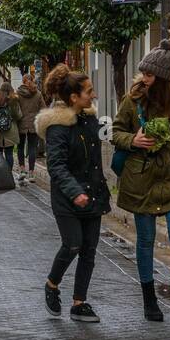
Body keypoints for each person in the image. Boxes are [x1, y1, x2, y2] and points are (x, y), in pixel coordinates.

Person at [111, 40, 170, 328]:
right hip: (143, 180)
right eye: (143, 73)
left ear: (164, 77)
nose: (144, 78)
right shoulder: (134, 100)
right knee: (146, 240)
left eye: (150, 74)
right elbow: (115, 132)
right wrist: (133, 139)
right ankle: (149, 300)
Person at [36, 66, 110, 323]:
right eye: (89, 91)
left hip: (93, 195)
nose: (93, 95)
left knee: (89, 249)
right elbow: (56, 166)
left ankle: (80, 303)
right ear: (74, 97)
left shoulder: (90, 121)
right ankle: (52, 284)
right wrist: (75, 191)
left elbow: (106, 147)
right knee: (73, 244)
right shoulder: (57, 127)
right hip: (68, 199)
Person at [0, 79, 24, 172]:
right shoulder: (14, 100)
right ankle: (9, 175)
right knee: (9, 154)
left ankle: (0, 174)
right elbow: (18, 116)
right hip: (11, 131)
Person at [16, 74, 45, 181]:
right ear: (32, 80)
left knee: (20, 147)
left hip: (21, 123)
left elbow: (14, 109)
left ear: (23, 81)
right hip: (33, 123)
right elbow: (43, 109)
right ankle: (31, 173)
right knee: (32, 148)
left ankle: (22, 170)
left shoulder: (17, 93)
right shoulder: (37, 93)